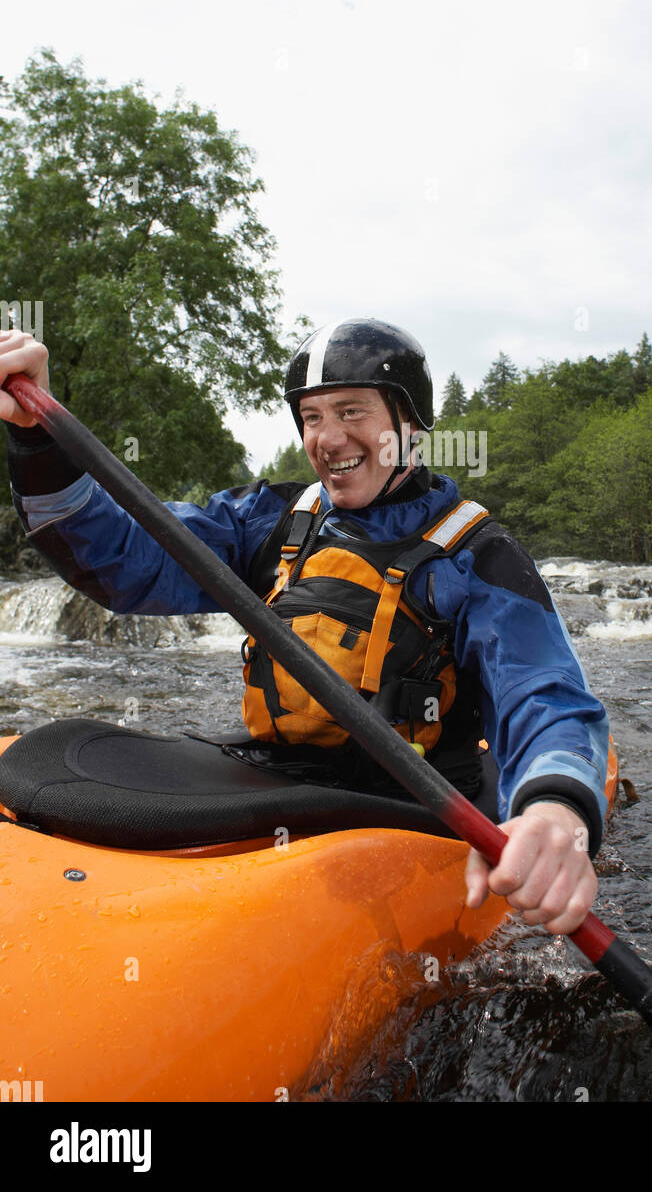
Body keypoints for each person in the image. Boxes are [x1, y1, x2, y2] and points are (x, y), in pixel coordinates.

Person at [0, 319, 612, 935]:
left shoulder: (476, 555)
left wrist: (555, 809)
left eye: (352, 411)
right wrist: (35, 442)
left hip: (409, 804)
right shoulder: (271, 519)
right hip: (275, 779)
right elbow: (119, 560)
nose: (329, 437)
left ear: (411, 424)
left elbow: (544, 694)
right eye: (312, 417)